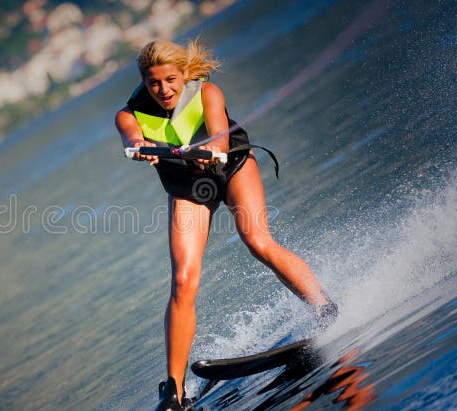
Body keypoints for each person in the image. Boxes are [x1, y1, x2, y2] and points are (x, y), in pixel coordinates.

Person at [115, 39, 338, 410]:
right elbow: (131, 137)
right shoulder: (128, 115)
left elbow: (219, 138)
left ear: (183, 74)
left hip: (231, 167)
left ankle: (324, 309)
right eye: (154, 83)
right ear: (143, 82)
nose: (164, 90)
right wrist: (142, 149)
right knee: (183, 279)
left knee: (257, 240)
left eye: (170, 80)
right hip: (187, 187)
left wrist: (211, 151)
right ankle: (174, 390)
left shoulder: (208, 93)